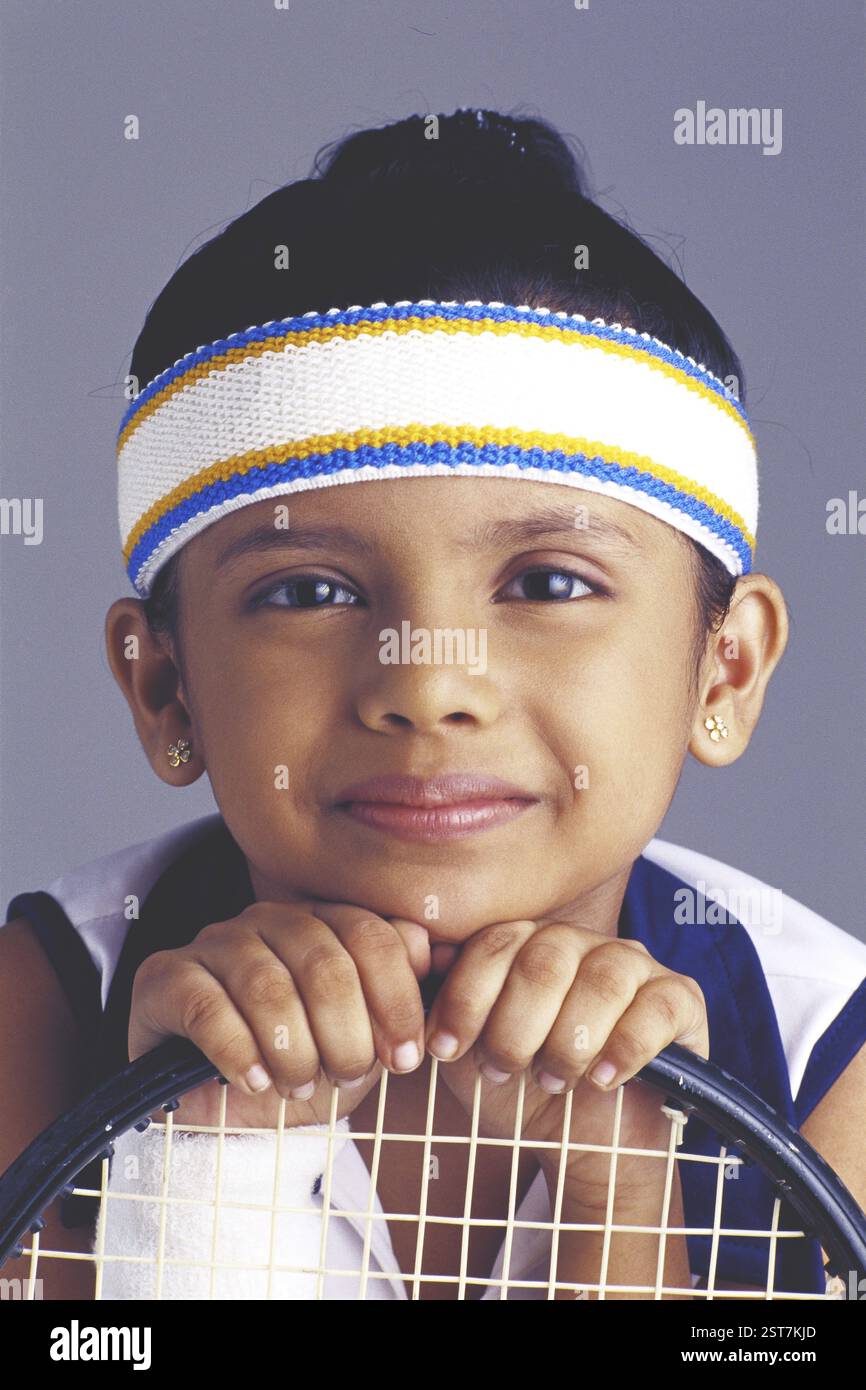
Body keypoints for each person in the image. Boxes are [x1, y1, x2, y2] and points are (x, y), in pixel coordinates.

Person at [2, 107, 864, 1300]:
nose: (428, 680)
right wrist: (212, 1165)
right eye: (308, 589)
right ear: (165, 686)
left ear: (721, 671)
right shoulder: (45, 1001)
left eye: (549, 582)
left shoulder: (827, 1051)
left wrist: (613, 1193)